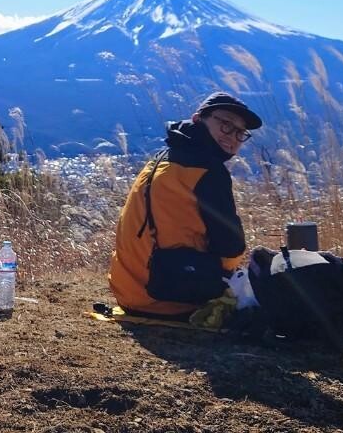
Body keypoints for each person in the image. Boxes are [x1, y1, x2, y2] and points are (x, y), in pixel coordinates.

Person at [108, 91, 262, 319]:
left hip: (129, 293)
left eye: (240, 132)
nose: (232, 137)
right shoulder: (207, 170)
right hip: (172, 299)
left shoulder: (161, 158)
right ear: (198, 119)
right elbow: (231, 247)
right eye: (226, 125)